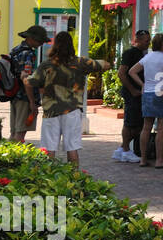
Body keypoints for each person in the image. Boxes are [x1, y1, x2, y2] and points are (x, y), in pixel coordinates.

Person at [24, 31, 110, 166]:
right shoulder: (81, 62)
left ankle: (48, 178)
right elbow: (106, 64)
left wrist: (23, 77)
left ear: (55, 45)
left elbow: (31, 82)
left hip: (51, 111)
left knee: (49, 149)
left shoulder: (47, 64)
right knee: (72, 148)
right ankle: (74, 178)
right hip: (72, 111)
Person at [129, 32, 163, 170]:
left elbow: (132, 71)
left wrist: (142, 84)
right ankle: (159, 159)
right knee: (161, 128)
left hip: (148, 93)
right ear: (162, 44)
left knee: (146, 126)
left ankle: (143, 159)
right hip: (161, 92)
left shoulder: (146, 57)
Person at [114, 29, 150, 164]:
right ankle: (125, 150)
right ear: (138, 40)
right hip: (132, 94)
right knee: (131, 123)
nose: (148, 43)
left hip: (139, 92)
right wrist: (132, 89)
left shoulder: (143, 54)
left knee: (137, 123)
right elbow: (122, 73)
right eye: (146, 41)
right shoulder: (130, 53)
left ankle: (123, 148)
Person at [8, 25, 49, 142]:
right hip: (24, 97)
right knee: (20, 133)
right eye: (40, 41)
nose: (41, 44)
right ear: (31, 38)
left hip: (14, 94)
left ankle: (8, 156)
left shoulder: (15, 50)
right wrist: (32, 102)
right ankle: (17, 159)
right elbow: (26, 79)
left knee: (14, 132)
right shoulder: (28, 54)